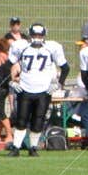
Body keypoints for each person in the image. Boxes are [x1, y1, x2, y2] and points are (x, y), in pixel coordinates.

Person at [7, 23, 67, 156]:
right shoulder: (21, 46)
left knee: (38, 119)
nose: (37, 38)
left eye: (40, 35)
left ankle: (33, 147)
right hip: (25, 88)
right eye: (34, 35)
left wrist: (58, 84)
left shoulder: (52, 47)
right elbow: (7, 65)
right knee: (21, 119)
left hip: (44, 90)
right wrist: (11, 81)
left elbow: (65, 67)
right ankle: (16, 147)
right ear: (29, 34)